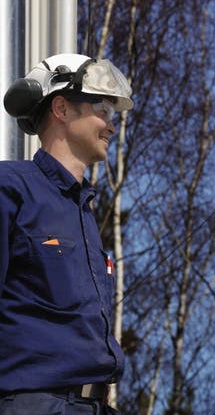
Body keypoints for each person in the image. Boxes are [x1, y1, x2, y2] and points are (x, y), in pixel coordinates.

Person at [0, 53, 133, 415]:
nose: (111, 125)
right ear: (61, 108)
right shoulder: (11, 187)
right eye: (102, 110)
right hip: (33, 403)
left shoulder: (83, 211)